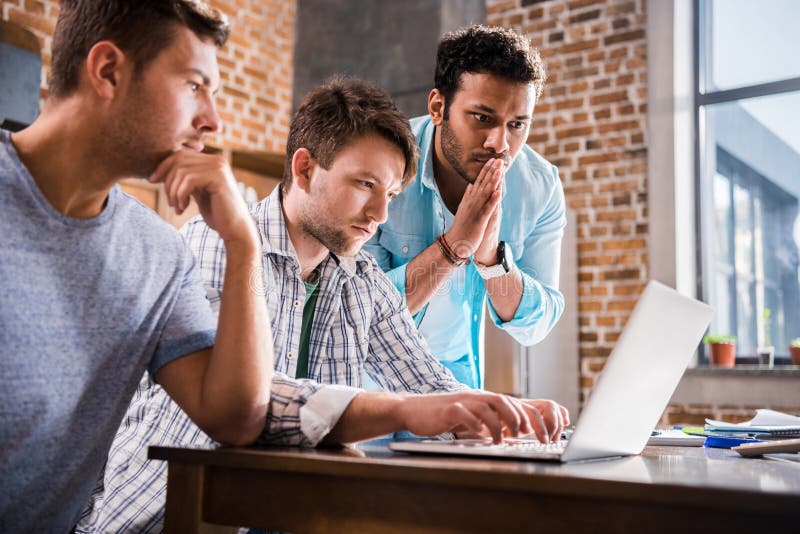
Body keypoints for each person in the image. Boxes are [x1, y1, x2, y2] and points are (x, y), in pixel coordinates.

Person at [77, 77, 570, 533]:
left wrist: (513, 421)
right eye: (365, 185)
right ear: (305, 168)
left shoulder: (360, 280)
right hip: (163, 517)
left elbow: (431, 388)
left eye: (392, 193)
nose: (379, 214)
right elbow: (242, 399)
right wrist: (406, 411)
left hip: (281, 515)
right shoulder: (217, 242)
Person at [0, 1, 275, 531]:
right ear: (108, 71)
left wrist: (244, 246)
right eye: (195, 85)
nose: (212, 120)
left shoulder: (161, 256)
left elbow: (236, 417)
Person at [364, 25, 567, 388]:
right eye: (482, 117)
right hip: (366, 385)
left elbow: (536, 324)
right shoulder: (380, 161)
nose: (499, 143)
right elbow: (357, 310)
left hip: (452, 391)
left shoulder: (540, 187)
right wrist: (455, 245)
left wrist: (491, 261)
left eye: (517, 124)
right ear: (438, 107)